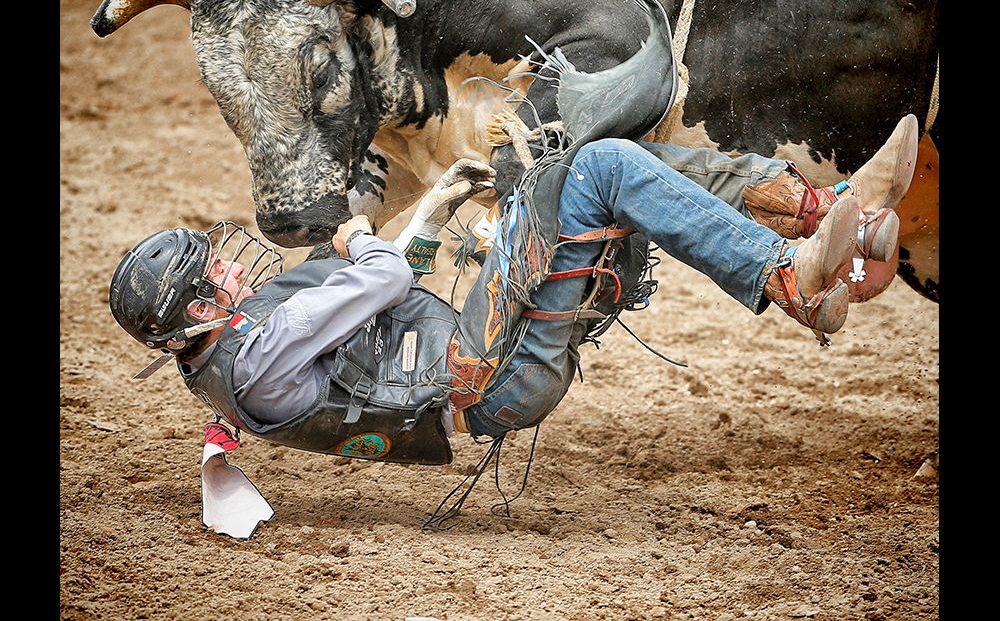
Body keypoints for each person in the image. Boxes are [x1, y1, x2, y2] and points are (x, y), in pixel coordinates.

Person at [109, 114, 918, 462]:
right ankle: (795, 270)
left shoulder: (227, 361)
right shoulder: (263, 349)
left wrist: (437, 203)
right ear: (202, 308)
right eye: (209, 271)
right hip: (486, 378)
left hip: (473, 370)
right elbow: (383, 272)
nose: (229, 264)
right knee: (594, 167)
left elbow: (383, 299)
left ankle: (838, 232)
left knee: (594, 171)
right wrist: (356, 233)